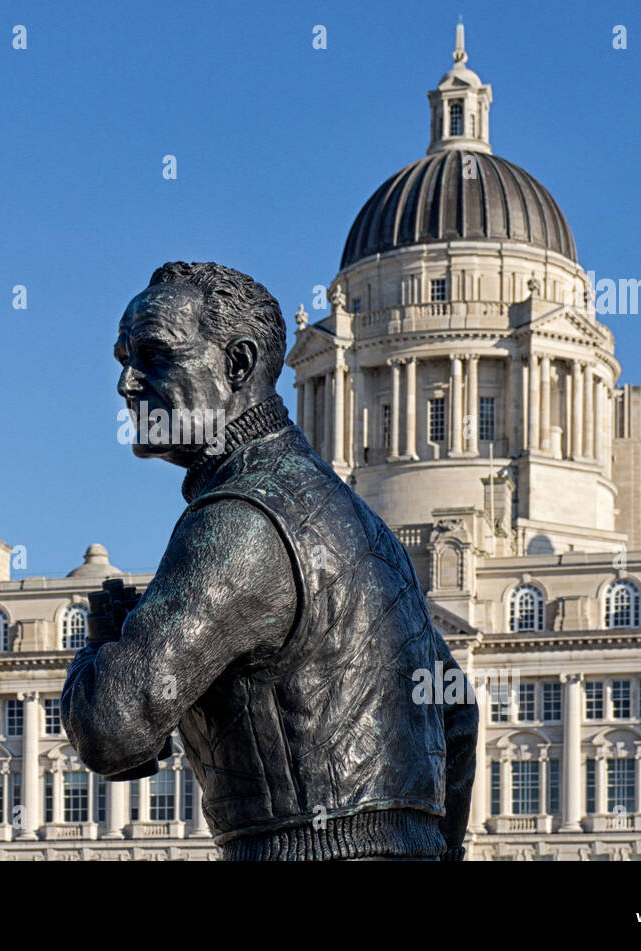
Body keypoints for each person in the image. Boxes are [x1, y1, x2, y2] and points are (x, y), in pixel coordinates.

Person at [61, 261, 476, 860]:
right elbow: (456, 711)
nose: (127, 383)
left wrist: (101, 643)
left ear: (237, 364)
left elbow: (114, 729)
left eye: (153, 355)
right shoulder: (367, 531)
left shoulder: (240, 517)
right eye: (123, 358)